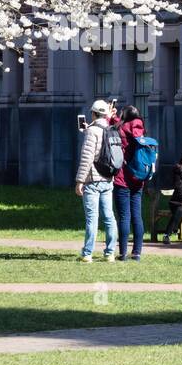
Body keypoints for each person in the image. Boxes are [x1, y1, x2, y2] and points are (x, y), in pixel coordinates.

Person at [74, 98, 119, 263]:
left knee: (92, 218)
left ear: (93, 113)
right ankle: (110, 253)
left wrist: (80, 181)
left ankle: (87, 253)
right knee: (109, 217)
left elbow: (87, 158)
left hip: (93, 179)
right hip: (108, 178)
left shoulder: (92, 131)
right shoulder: (111, 128)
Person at [112, 104, 150, 261]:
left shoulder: (121, 128)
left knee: (124, 216)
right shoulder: (140, 128)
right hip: (138, 178)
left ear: (125, 115)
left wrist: (111, 116)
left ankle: (122, 253)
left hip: (122, 178)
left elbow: (113, 126)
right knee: (137, 216)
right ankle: (137, 252)